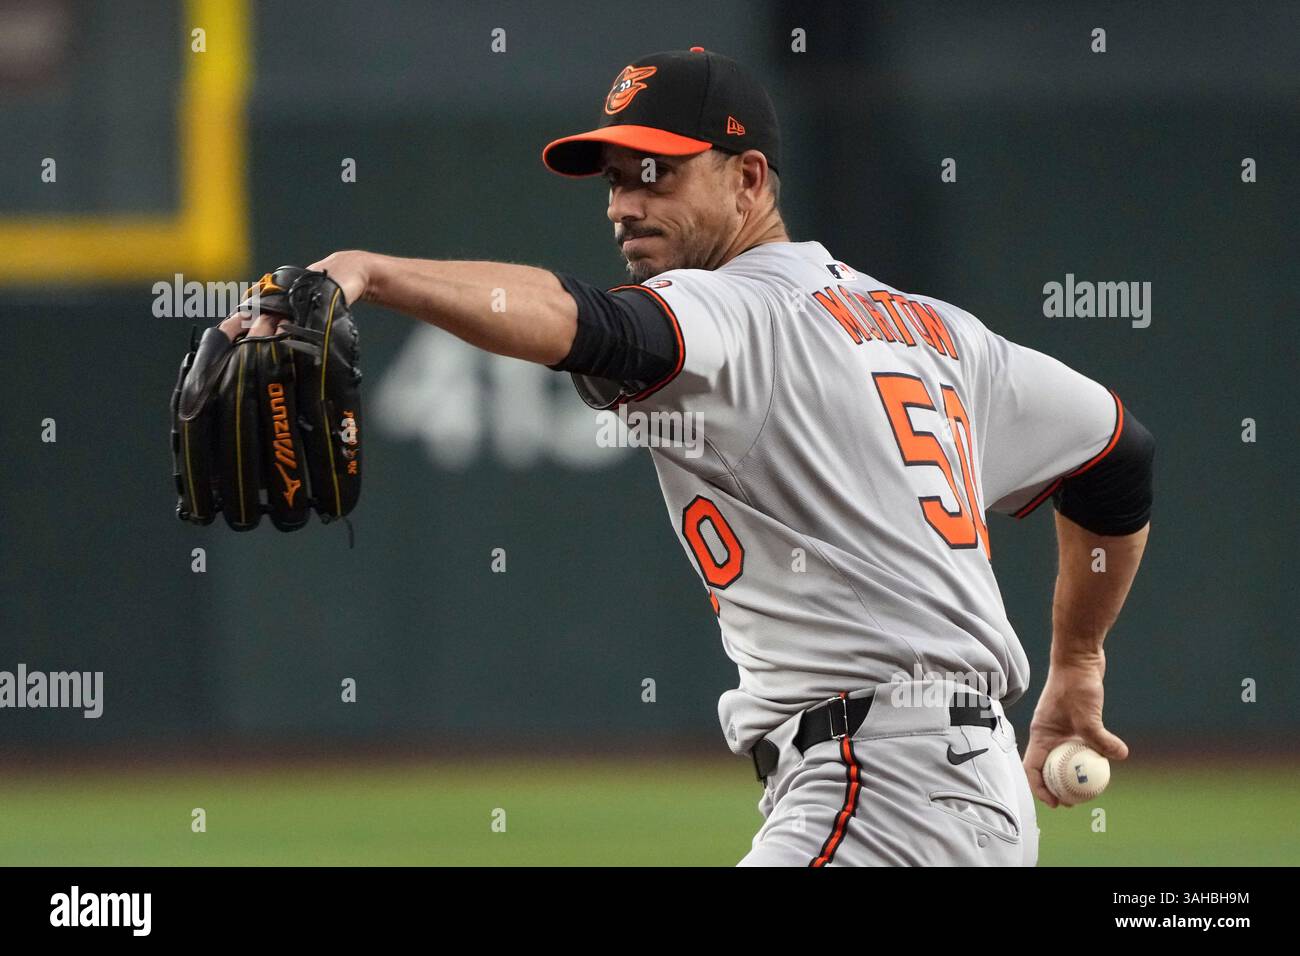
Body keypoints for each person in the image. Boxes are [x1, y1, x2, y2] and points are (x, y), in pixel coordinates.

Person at [226, 48, 1153, 866]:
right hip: (958, 785)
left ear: (750, 179)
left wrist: (370, 272)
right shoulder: (941, 335)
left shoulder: (734, 307)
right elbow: (1116, 454)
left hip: (883, 791)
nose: (625, 205)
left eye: (657, 175)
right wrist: (1077, 664)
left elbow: (578, 319)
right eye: (614, 181)